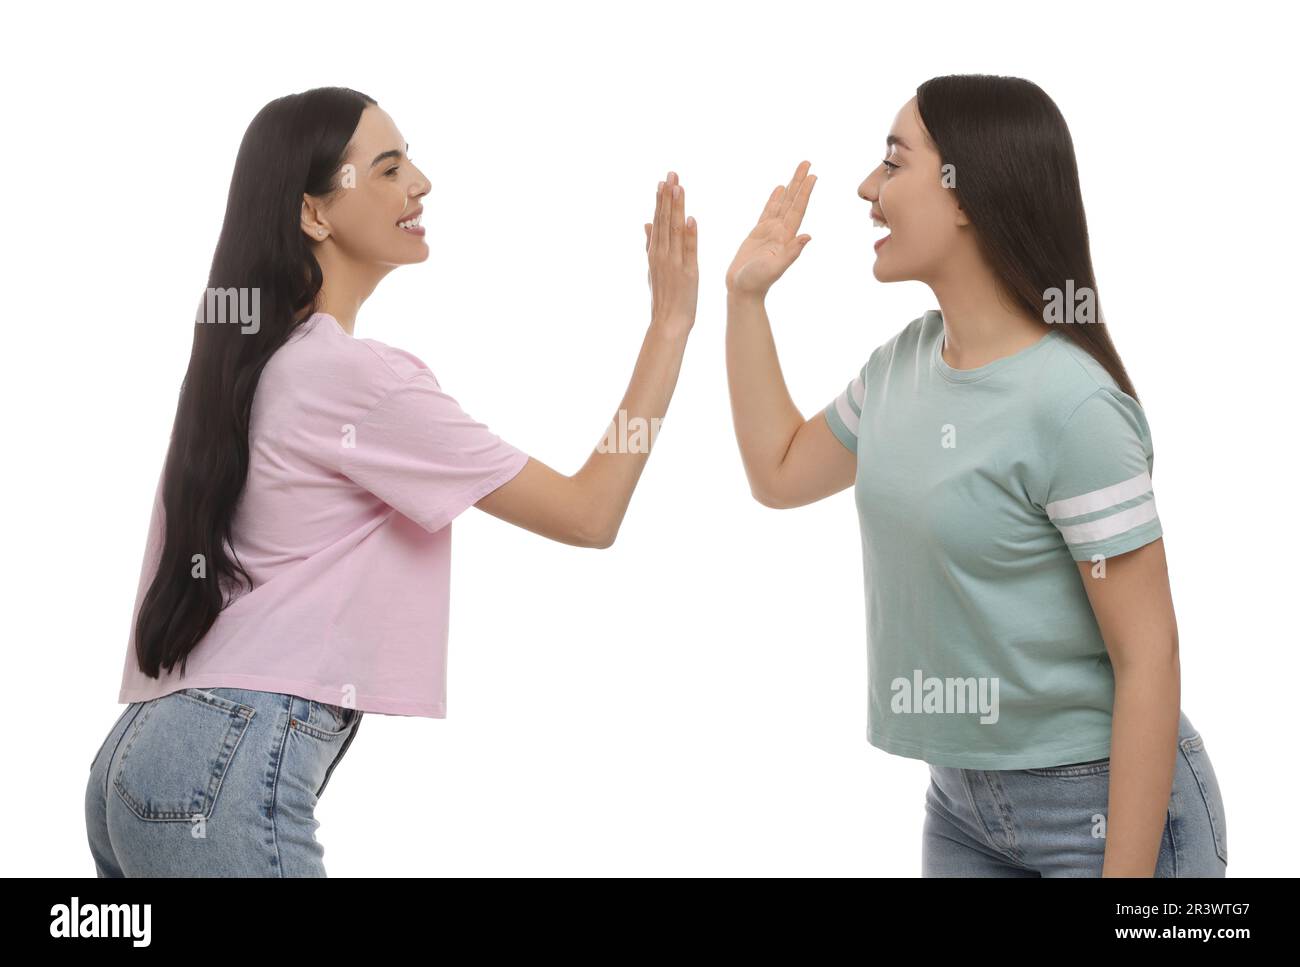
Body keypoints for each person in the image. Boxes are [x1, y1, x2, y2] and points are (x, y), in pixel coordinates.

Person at [86, 86, 698, 876]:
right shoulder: (353, 378)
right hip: (222, 768)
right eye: (387, 167)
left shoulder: (248, 368)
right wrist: (669, 329)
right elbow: (591, 508)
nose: (421, 182)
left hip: (136, 760)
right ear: (315, 213)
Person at [723, 74, 1227, 876]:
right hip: (960, 810)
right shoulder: (900, 368)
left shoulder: (1073, 404)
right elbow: (779, 472)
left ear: (966, 192)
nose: (867, 189)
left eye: (892, 164)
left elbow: (1150, 656)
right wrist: (745, 300)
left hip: (1104, 809)